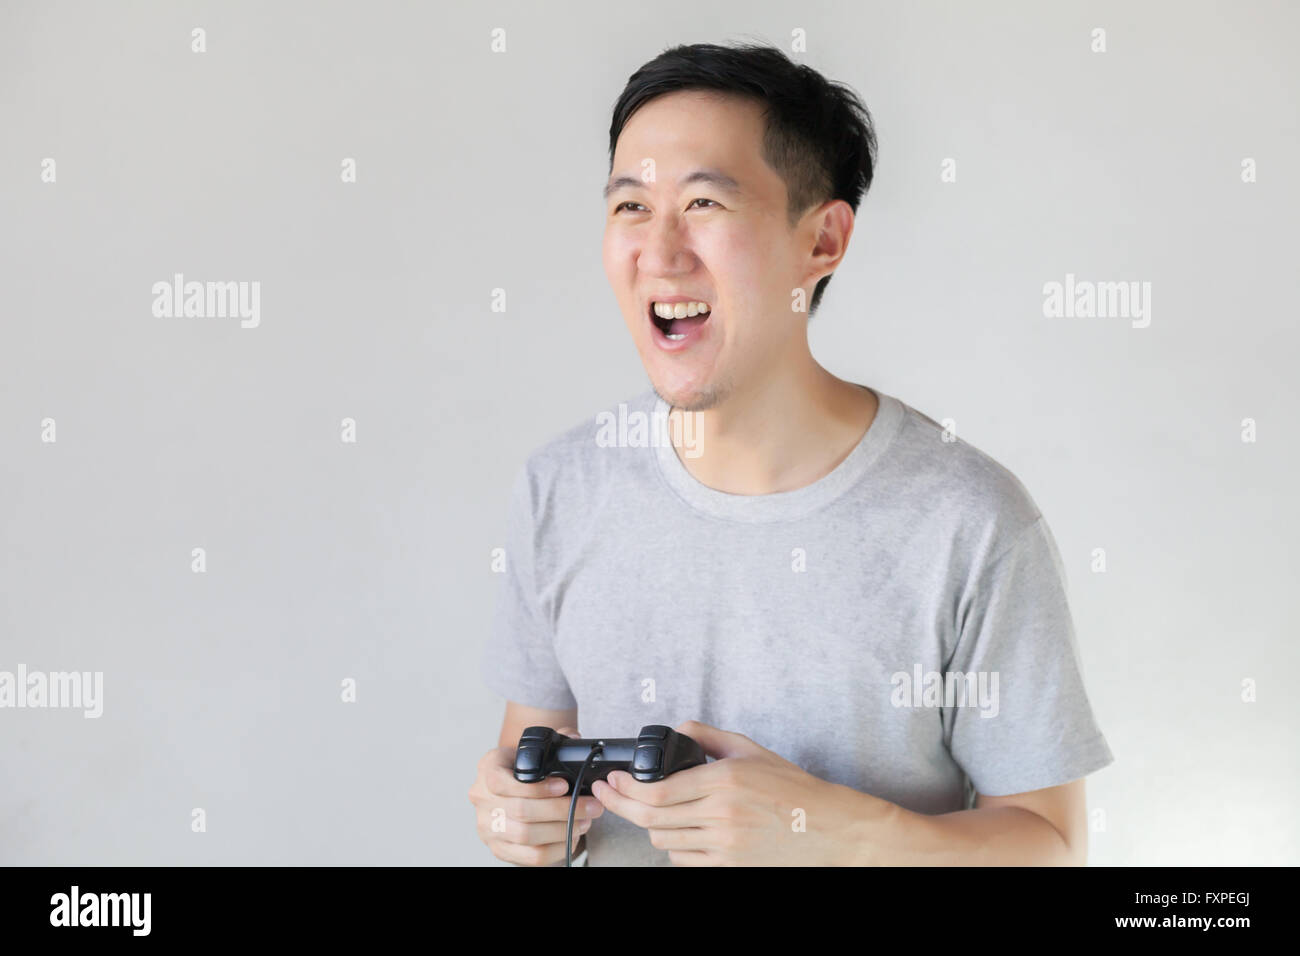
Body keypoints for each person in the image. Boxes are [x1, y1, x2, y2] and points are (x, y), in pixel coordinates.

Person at [467, 42, 1113, 866]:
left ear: (823, 241)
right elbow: (533, 770)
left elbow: (1051, 848)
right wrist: (515, 821)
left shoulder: (970, 521)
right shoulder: (560, 488)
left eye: (704, 203)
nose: (660, 251)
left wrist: (834, 831)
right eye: (631, 206)